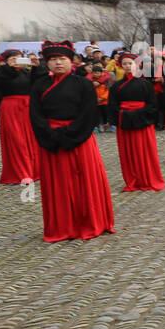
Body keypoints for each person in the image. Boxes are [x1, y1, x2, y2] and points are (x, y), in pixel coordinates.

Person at [27, 40, 115, 242]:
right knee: (58, 186)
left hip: (80, 139)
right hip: (51, 141)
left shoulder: (83, 83)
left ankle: (89, 221)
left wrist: (69, 134)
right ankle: (62, 224)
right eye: (53, 59)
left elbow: (88, 113)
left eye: (62, 59)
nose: (58, 63)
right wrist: (51, 135)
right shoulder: (40, 85)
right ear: (47, 62)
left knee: (84, 183)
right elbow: (35, 115)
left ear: (71, 61)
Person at [108, 51, 165, 191]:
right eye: (125, 64)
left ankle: (148, 177)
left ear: (137, 64)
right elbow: (112, 105)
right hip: (124, 121)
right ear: (121, 66)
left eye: (130, 63)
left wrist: (138, 114)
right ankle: (132, 179)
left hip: (142, 121)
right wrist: (124, 115)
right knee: (128, 154)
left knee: (145, 152)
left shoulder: (145, 84)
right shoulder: (116, 86)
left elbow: (152, 104)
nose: (128, 66)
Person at [0, 50, 39, 183]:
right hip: (10, 108)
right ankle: (21, 173)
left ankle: (34, 170)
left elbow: (37, 85)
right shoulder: (0, 72)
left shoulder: (26, 72)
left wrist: (36, 68)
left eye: (19, 58)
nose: (17, 60)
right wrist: (8, 68)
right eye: (13, 58)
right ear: (6, 60)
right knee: (16, 140)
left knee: (31, 139)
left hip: (27, 107)